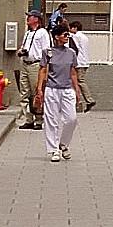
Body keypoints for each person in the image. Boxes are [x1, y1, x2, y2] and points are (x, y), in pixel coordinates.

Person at [34, 24, 80, 162]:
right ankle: (53, 149)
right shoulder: (48, 52)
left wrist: (77, 89)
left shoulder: (71, 53)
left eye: (68, 35)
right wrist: (39, 89)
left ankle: (63, 143)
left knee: (72, 119)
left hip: (66, 89)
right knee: (51, 119)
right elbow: (42, 70)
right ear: (56, 37)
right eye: (65, 35)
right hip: (52, 89)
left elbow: (73, 72)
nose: (67, 37)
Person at [17, 10, 50, 130]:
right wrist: (21, 52)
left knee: (37, 92)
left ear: (36, 19)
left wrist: (44, 67)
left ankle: (39, 119)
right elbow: (24, 47)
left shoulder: (42, 33)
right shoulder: (27, 33)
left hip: (36, 64)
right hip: (25, 63)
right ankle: (28, 118)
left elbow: (46, 50)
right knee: (24, 92)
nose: (28, 19)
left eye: (30, 17)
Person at [68, 21, 96, 112]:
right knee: (78, 81)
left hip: (79, 62)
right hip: (84, 62)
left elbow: (72, 44)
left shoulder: (77, 36)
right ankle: (84, 101)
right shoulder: (84, 37)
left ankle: (89, 100)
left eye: (71, 28)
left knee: (80, 81)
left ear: (75, 28)